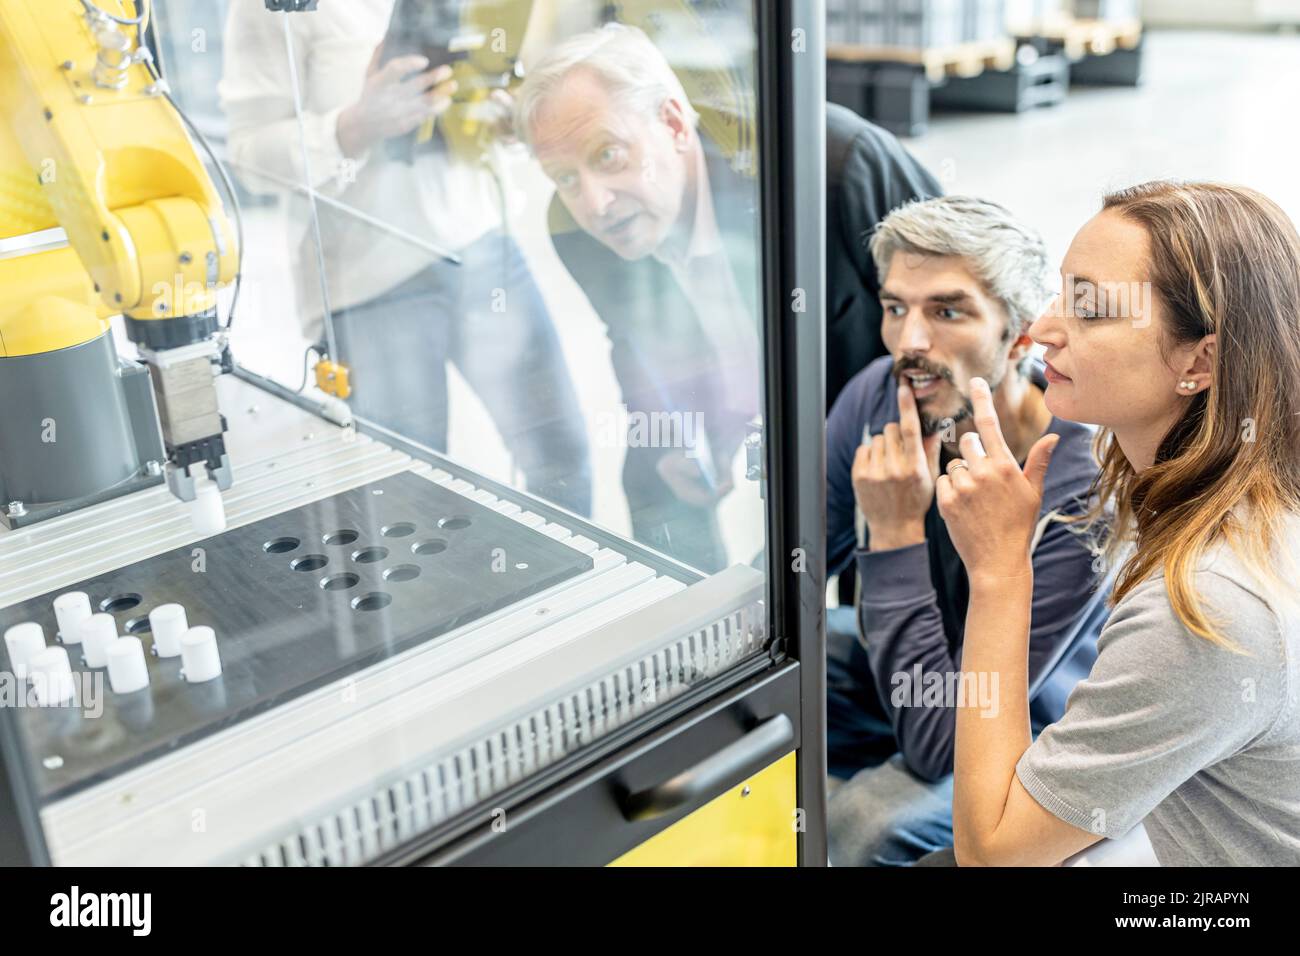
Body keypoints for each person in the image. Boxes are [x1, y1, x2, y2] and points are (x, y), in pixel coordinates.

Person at [936, 181, 1300, 866]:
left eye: (1091, 310)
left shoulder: (1209, 609)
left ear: (1201, 361)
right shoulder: (1252, 488)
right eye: (1059, 292)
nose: (1041, 328)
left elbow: (992, 852)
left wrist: (998, 571)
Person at [517, 24, 939, 571]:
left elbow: (967, 299)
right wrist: (691, 437)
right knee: (653, 474)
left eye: (607, 155)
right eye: (565, 178)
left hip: (895, 413)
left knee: (866, 580)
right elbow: (635, 348)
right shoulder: (580, 236)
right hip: (753, 394)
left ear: (672, 123)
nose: (593, 203)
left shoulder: (832, 165)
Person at [219, 0, 593, 516]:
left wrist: (500, 115)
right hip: (371, 284)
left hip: (482, 247)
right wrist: (353, 126)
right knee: (409, 500)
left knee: (561, 452)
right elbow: (248, 159)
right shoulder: (271, 10)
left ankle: (569, 594)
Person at [824, 196, 1108, 866]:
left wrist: (894, 536)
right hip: (901, 667)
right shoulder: (880, 396)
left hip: (1020, 722)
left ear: (1018, 337)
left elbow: (940, 740)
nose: (910, 344)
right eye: (896, 308)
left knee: (865, 825)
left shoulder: (1082, 486)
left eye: (947, 312)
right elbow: (791, 569)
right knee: (765, 689)